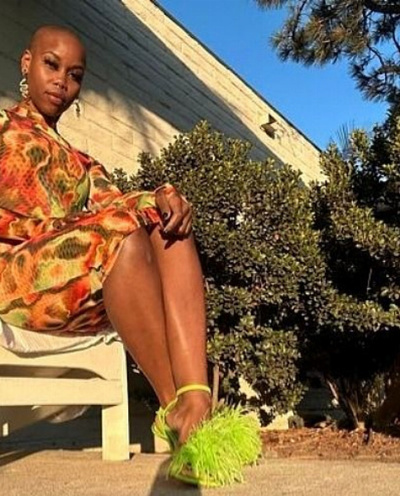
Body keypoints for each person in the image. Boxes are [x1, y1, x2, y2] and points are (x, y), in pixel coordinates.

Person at [0, 25, 260, 486]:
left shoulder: (83, 163)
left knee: (165, 221)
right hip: (13, 276)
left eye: (75, 75)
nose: (62, 81)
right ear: (27, 63)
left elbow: (117, 204)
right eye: (51, 65)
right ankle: (175, 409)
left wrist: (163, 196)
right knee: (120, 230)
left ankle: (193, 401)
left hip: (71, 284)